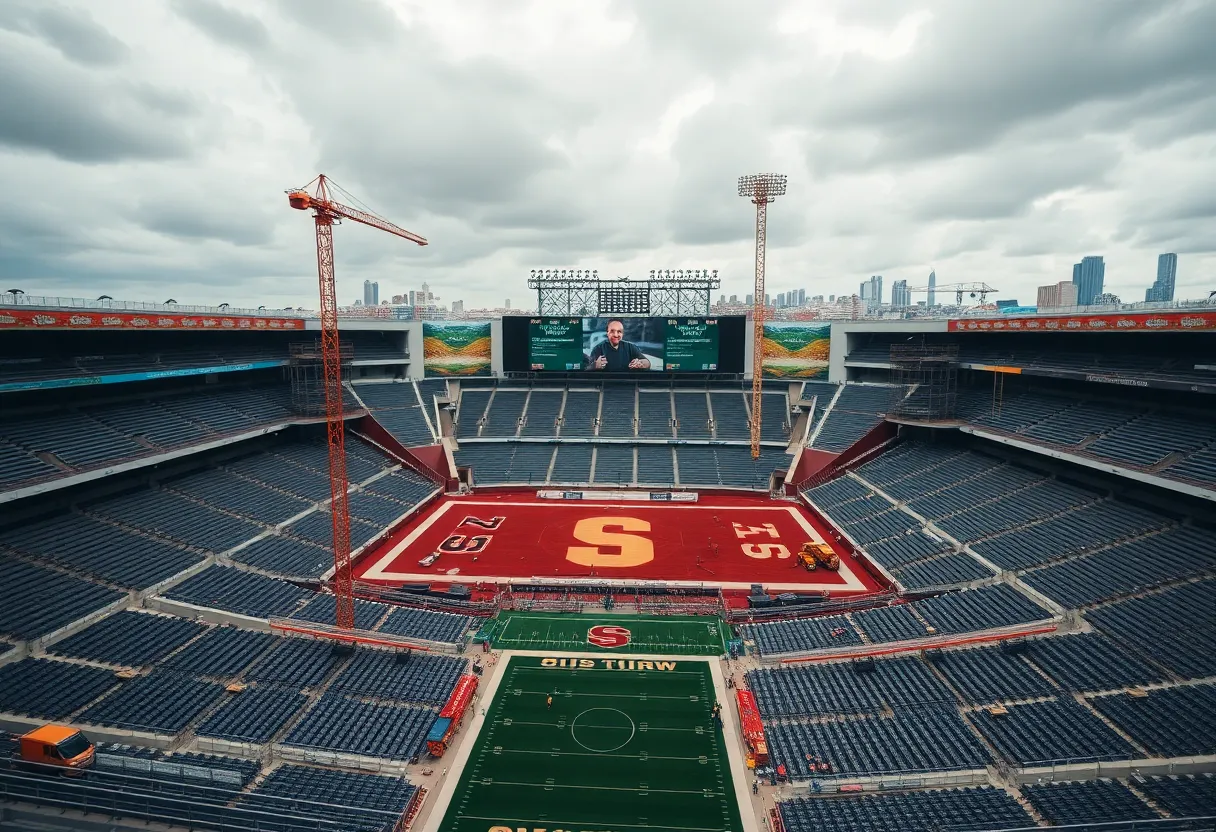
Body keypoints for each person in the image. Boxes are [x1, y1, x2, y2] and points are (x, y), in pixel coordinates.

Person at [586, 320, 650, 371]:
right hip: (605, 383)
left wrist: (641, 363)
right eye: (612, 331)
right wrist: (595, 366)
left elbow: (647, 363)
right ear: (607, 333)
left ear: (622, 334)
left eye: (619, 332)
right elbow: (587, 369)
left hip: (628, 383)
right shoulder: (598, 349)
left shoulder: (630, 347)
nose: (616, 335)